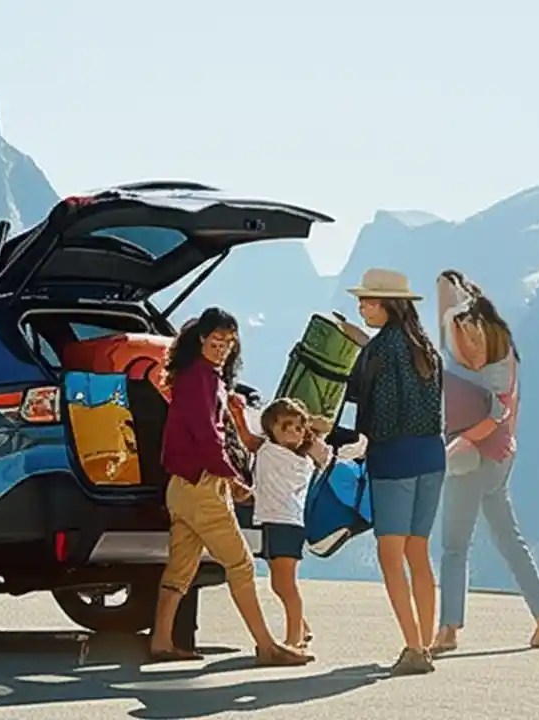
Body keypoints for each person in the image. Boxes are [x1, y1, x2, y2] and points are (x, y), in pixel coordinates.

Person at [149, 307, 312, 667]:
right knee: (240, 565)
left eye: (228, 342)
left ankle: (161, 640)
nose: (222, 348)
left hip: (181, 487)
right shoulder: (201, 379)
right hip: (202, 487)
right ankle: (267, 646)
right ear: (201, 339)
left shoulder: (198, 377)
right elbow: (207, 436)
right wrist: (232, 479)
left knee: (180, 567)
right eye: (216, 341)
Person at [430, 270, 539, 654]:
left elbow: (481, 402)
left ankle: (449, 629)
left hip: (470, 455)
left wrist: (455, 445)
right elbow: (507, 403)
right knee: (509, 538)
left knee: (455, 546)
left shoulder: (465, 333)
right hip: (501, 454)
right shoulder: (502, 341)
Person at [345, 268, 446, 675]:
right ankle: (424, 640)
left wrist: (355, 441)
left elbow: (381, 414)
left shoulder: (380, 351)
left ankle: (412, 647)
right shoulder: (424, 347)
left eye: (368, 301)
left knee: (390, 556)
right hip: (431, 456)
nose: (362, 306)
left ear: (388, 305)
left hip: (395, 460)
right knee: (418, 552)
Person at [253, 397, 332, 649]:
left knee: (285, 585)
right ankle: (302, 627)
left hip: (285, 524)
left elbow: (249, 434)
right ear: (272, 428)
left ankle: (293, 638)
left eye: (298, 427)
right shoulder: (303, 459)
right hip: (276, 522)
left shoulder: (271, 451)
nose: (292, 431)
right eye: (285, 425)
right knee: (280, 584)